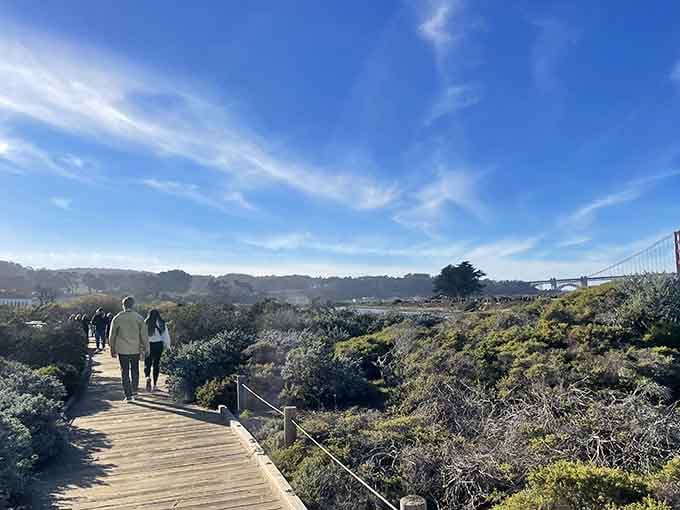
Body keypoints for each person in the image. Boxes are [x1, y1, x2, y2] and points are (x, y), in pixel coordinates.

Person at [109, 296, 149, 402]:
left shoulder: (117, 318)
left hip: (122, 349)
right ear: (133, 305)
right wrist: (146, 348)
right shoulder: (139, 318)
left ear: (123, 305)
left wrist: (112, 347)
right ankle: (135, 392)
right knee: (135, 370)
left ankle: (128, 396)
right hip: (135, 348)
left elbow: (112, 335)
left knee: (125, 371)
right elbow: (144, 335)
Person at [144, 309, 171, 392]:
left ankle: (147, 377)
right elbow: (165, 336)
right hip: (158, 345)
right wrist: (168, 346)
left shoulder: (146, 322)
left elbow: (142, 335)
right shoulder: (162, 323)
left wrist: (142, 345)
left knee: (147, 363)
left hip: (148, 345)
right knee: (156, 364)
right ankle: (155, 385)